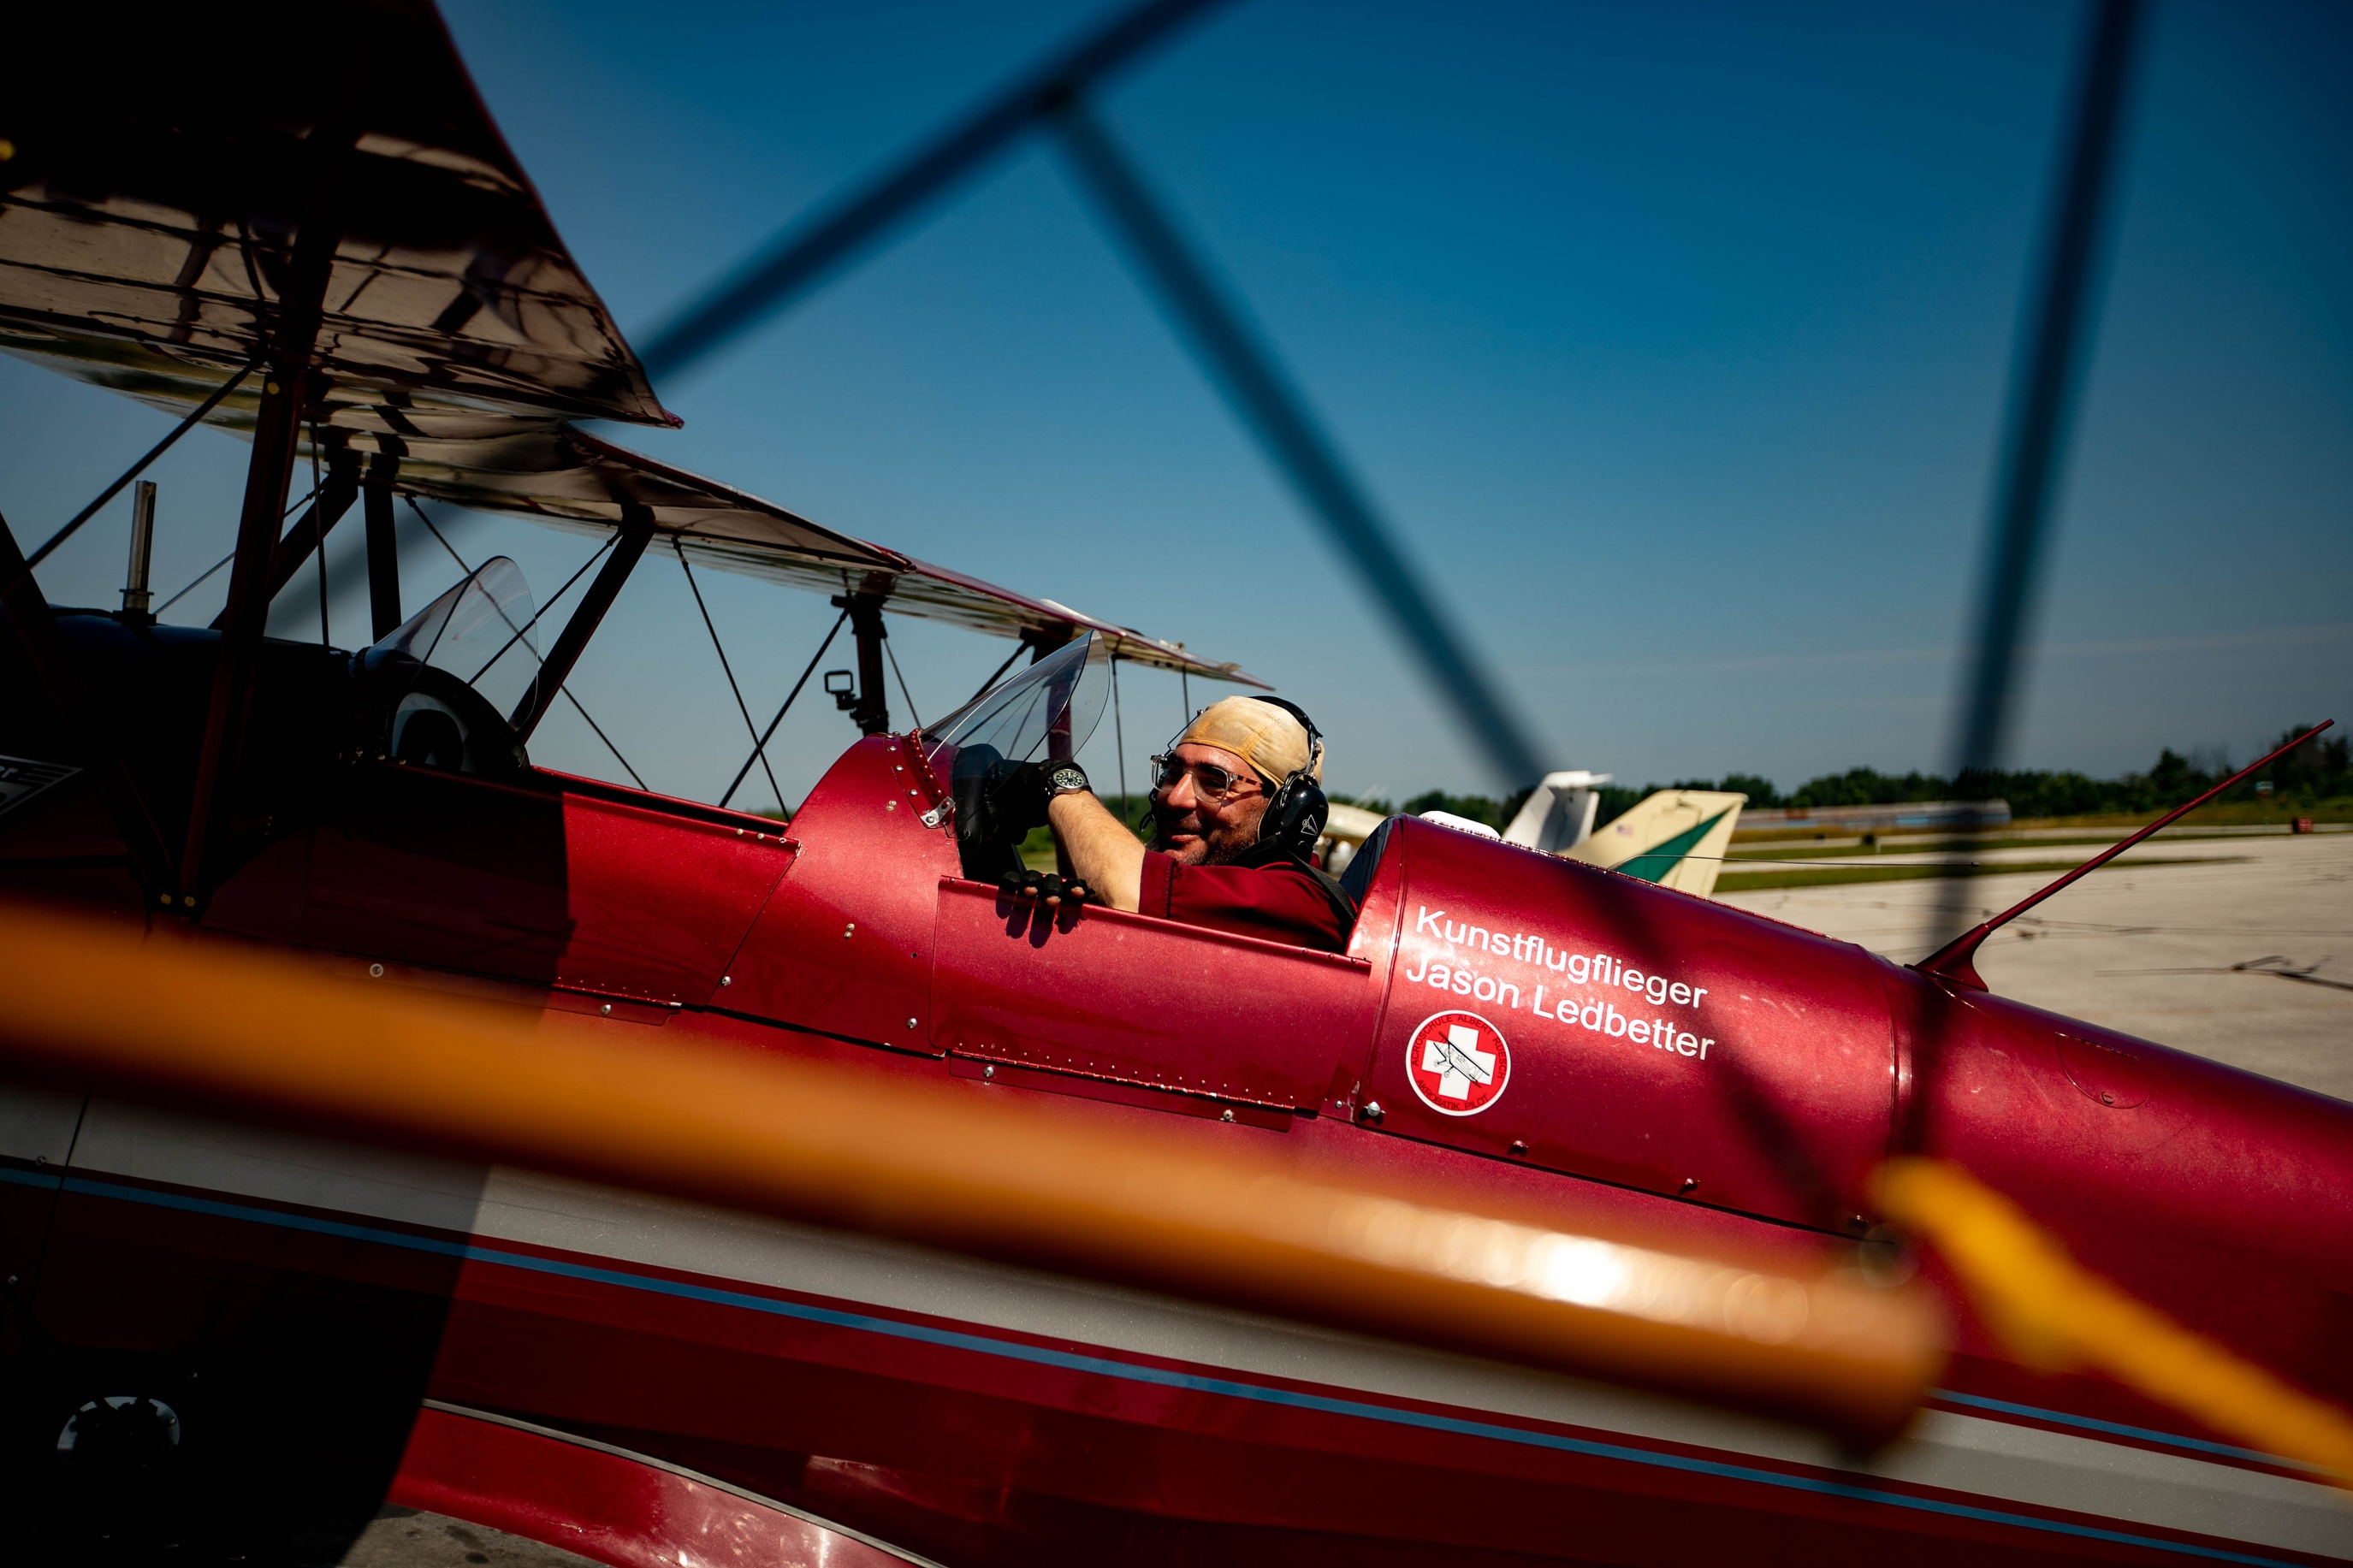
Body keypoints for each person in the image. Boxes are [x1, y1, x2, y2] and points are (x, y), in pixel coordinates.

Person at [1003, 696, 1354, 953]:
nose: (1175, 798)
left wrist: (1060, 783)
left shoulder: (1296, 900)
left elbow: (1129, 892)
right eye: (1173, 773)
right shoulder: (1207, 891)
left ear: (1286, 811)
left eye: (1215, 782)